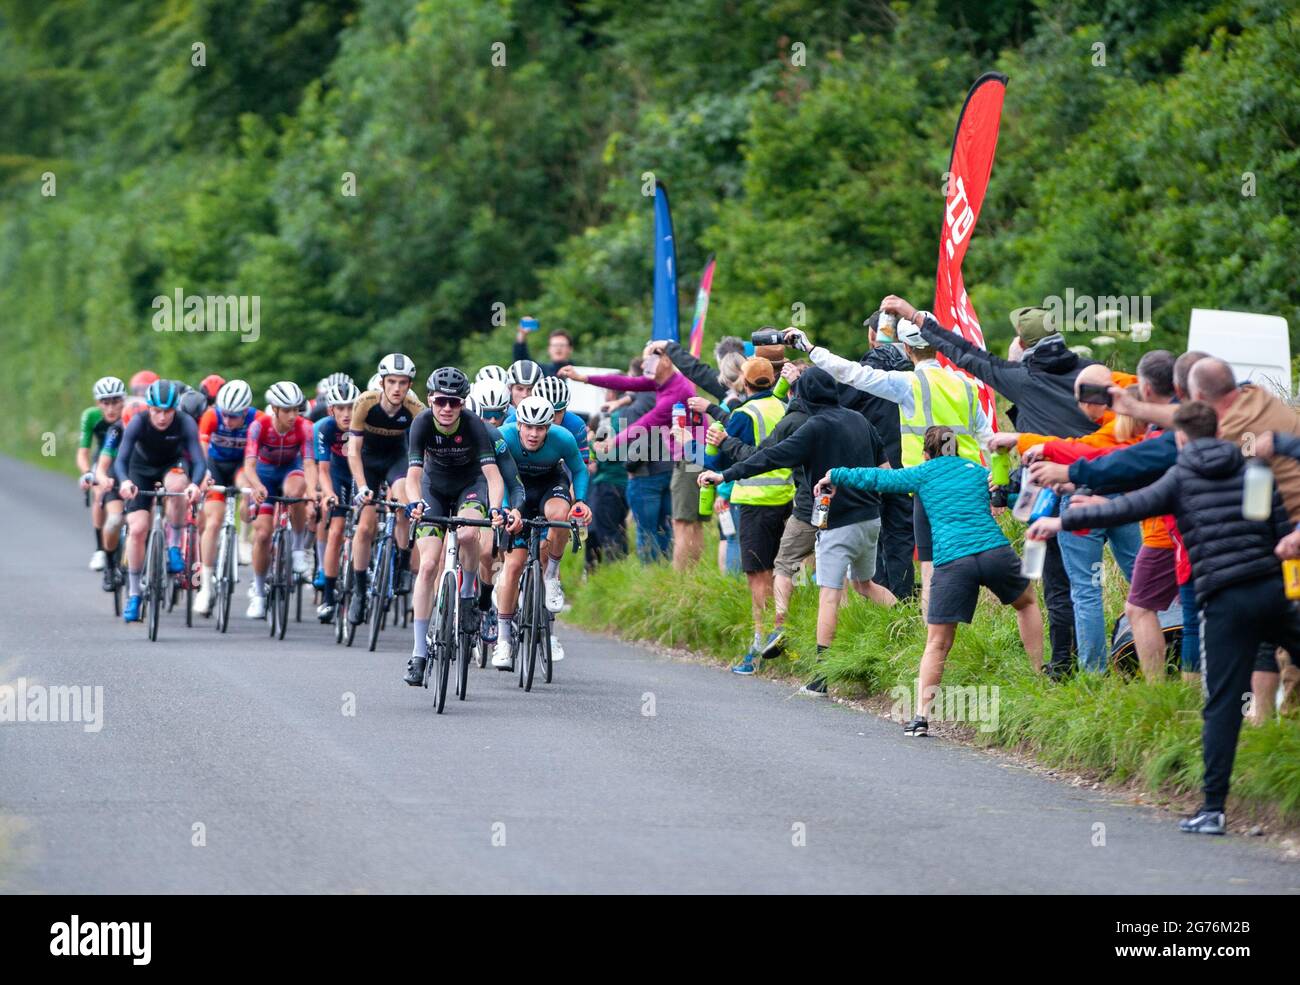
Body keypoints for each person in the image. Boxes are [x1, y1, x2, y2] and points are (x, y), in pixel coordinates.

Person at [1028, 401, 1300, 835]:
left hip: (1226, 602)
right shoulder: (1255, 471)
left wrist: (1062, 521)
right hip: (1274, 592)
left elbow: (1125, 508)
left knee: (1223, 705)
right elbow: (1280, 530)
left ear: (1179, 438)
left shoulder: (1180, 477)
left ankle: (1212, 810)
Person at [888, 296, 1099, 674]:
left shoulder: (1023, 379)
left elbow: (968, 355)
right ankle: (1086, 668)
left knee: (1064, 585)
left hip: (1056, 494)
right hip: (1108, 484)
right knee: (1103, 586)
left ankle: (1071, 666)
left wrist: (917, 318)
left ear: (1023, 345)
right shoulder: (1090, 373)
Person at [822, 425, 1043, 736]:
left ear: (927, 453)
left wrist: (836, 474)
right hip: (995, 552)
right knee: (1027, 603)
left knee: (938, 642)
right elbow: (1016, 495)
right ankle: (1038, 675)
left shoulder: (923, 472)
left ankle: (921, 716)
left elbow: (878, 479)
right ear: (958, 449)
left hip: (954, 562)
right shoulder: (980, 472)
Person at [701, 367, 897, 690]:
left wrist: (724, 475)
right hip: (870, 519)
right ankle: (908, 628)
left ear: (803, 395)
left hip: (837, 523)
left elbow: (769, 457)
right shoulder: (860, 420)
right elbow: (886, 471)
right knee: (865, 585)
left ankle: (821, 677)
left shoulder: (813, 427)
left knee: (829, 595)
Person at [785, 312, 993, 617]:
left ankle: (930, 628)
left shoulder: (907, 383)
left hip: (923, 483)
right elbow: (988, 438)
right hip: (969, 481)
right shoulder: (965, 384)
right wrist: (996, 480)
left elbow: (852, 374)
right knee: (971, 554)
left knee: (931, 561)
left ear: (907, 350)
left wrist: (810, 348)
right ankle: (974, 621)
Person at [1032, 351, 1208, 682]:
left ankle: (1101, 676)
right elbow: (1135, 475)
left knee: (1103, 595)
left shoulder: (1161, 435)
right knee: (1161, 603)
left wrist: (1063, 471)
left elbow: (1125, 468)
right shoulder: (1213, 426)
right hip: (1162, 527)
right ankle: (1190, 694)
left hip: (1160, 532)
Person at [994, 363, 1143, 674]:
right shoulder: (1135, 403)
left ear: (1093, 396)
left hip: (1084, 501)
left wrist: (1031, 443)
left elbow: (1087, 450)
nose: (1076, 408)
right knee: (1143, 583)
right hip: (1122, 497)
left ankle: (1093, 672)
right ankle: (1169, 654)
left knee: (1086, 590)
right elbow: (1106, 457)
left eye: (1079, 400)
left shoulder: (1117, 413)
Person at [403, 367, 511, 687]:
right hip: (433, 489)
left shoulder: (475, 425)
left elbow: (493, 476)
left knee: (467, 533)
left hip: (470, 488)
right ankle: (419, 653)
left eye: (454, 402)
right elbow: (412, 476)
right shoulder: (421, 422)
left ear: (462, 403)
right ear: (430, 401)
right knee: (428, 565)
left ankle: (466, 596)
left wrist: (493, 508)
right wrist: (413, 502)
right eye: (441, 401)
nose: (447, 408)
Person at [709, 359, 812, 662]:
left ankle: (760, 640)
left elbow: (723, 462)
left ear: (744, 381)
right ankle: (783, 633)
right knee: (784, 569)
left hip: (754, 502)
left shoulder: (743, 414)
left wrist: (709, 445)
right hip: (786, 498)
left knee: (758, 574)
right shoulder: (784, 406)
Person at [561, 344, 697, 564]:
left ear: (666, 361)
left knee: (659, 530)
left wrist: (611, 442)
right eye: (643, 361)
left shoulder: (675, 391)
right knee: (668, 528)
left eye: (649, 360)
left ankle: (667, 579)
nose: (644, 365)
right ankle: (665, 579)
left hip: (677, 463)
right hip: (674, 463)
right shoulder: (661, 383)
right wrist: (583, 378)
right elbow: (626, 382)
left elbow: (646, 422)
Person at [492, 396, 591, 669]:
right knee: (512, 566)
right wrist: (503, 511)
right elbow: (495, 478)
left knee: (560, 517)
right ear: (519, 423)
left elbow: (580, 471)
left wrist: (580, 501)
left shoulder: (563, 438)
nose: (534, 434)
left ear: (549, 427)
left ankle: (551, 576)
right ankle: (503, 641)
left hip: (550, 485)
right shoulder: (503, 436)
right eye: (528, 427)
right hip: (516, 491)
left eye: (540, 428)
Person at [113, 380, 206, 623]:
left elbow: (198, 459)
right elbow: (121, 459)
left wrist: (195, 484)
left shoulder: (185, 422)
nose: (162, 417)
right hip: (139, 469)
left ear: (175, 409)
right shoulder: (138, 422)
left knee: (177, 487)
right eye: (157, 411)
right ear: (149, 408)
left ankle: (174, 546)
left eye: (167, 411)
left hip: (170, 467)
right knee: (137, 529)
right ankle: (134, 595)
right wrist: (124, 482)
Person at [346, 354, 424, 625]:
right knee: (366, 527)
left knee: (403, 504)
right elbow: (353, 450)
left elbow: (422, 453)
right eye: (391, 382)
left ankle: (403, 565)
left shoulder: (415, 407)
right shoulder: (365, 403)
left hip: (397, 460)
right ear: (382, 382)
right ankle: (358, 591)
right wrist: (362, 486)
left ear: (409, 384)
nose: (396, 388)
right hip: (367, 461)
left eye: (403, 383)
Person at [242, 382, 317, 619]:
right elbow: (249, 466)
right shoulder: (258, 426)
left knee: (296, 491)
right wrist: (256, 486)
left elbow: (308, 464)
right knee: (263, 535)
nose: (293, 415)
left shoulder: (305, 427)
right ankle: (259, 594)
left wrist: (312, 491)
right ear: (274, 409)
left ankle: (296, 550)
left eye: (296, 409)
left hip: (291, 470)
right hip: (264, 475)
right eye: (287, 410)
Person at [856, 311, 916, 600]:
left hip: (874, 466)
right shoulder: (913, 369)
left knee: (874, 535)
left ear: (873, 335)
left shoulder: (863, 374)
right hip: (907, 465)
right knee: (903, 534)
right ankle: (905, 598)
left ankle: (883, 606)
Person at [194, 380, 256, 615]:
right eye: (225, 415)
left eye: (234, 417)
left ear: (245, 411)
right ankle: (206, 586)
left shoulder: (257, 419)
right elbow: (200, 452)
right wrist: (203, 477)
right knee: (213, 521)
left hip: (242, 466)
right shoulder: (211, 416)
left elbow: (259, 454)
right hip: (215, 466)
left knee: (247, 488)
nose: (228, 422)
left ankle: (243, 538)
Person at [309, 378, 359, 621]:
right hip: (337, 473)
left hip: (361, 472)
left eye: (351, 407)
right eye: (341, 408)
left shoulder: (365, 426)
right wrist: (328, 493)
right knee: (336, 530)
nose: (347, 413)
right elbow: (323, 471)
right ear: (332, 410)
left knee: (365, 528)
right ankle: (328, 598)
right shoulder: (323, 427)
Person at [78, 377, 128, 576]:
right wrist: (88, 473)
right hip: (104, 461)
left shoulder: (130, 413)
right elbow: (83, 451)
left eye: (115, 402)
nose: (110, 408)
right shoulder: (91, 416)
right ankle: (100, 548)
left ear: (123, 400)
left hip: (127, 459)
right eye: (105, 403)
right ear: (97, 403)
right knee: (99, 493)